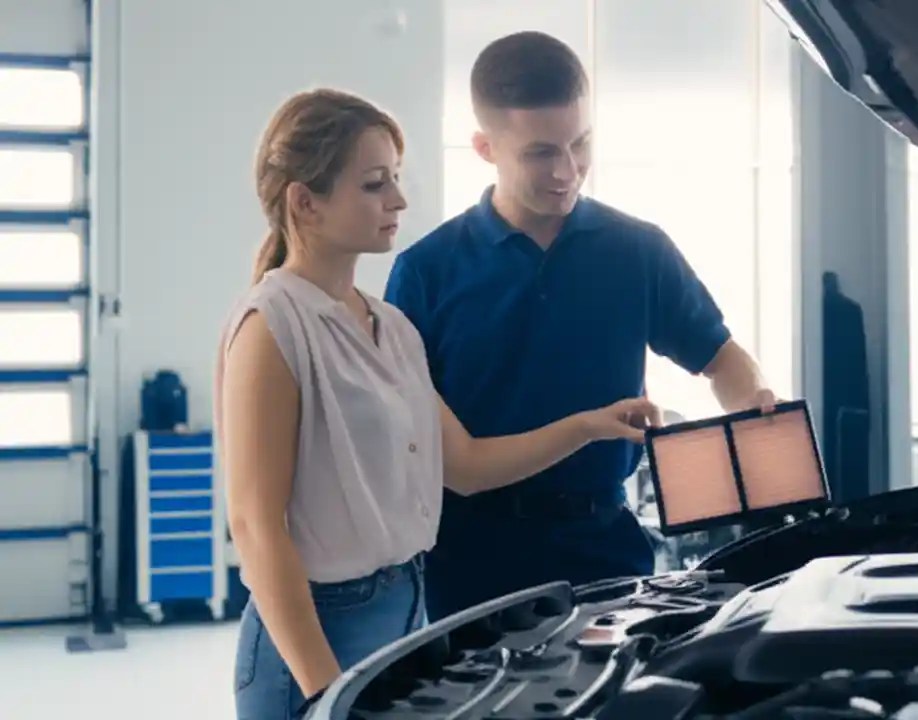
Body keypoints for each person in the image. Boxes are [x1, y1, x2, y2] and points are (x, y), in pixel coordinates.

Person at [215, 88, 660, 719]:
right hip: (312, 640)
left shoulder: (390, 326)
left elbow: (468, 466)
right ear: (304, 202)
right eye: (374, 185)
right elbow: (257, 528)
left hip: (406, 617)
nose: (398, 200)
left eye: (394, 179)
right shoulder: (273, 324)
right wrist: (327, 693)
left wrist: (588, 426)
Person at [384, 31, 778, 622]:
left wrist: (751, 403)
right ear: (485, 147)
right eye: (541, 152)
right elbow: (437, 459)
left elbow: (720, 358)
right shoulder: (425, 272)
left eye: (582, 143)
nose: (568, 171)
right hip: (467, 565)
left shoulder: (638, 249)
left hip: (606, 553)